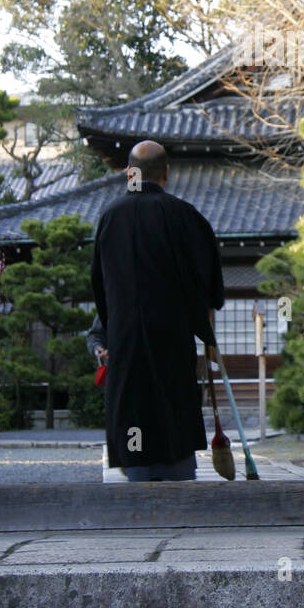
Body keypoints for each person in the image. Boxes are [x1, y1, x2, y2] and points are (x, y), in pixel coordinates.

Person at [90, 139, 224, 481]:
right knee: (172, 404)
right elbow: (208, 287)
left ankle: (136, 472)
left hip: (126, 338)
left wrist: (114, 326)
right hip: (172, 336)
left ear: (129, 173)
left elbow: (100, 288)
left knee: (134, 409)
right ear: (167, 172)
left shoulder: (109, 218)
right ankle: (178, 473)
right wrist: (202, 325)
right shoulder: (185, 216)